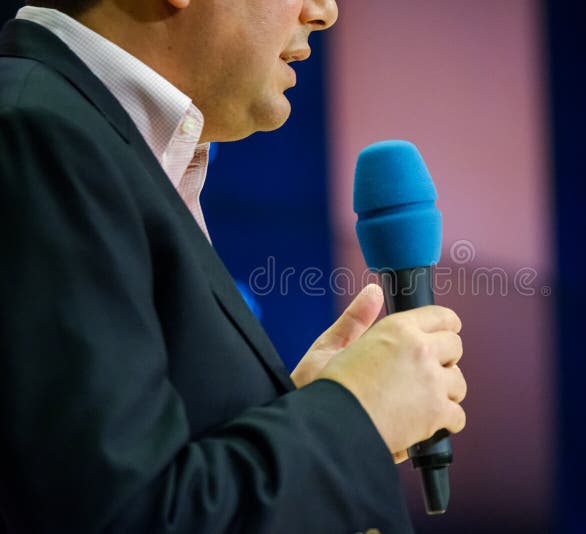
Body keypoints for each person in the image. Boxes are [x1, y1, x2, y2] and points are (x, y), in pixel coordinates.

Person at [0, 0, 468, 532]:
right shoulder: (38, 134)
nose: (325, 11)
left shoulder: (94, 141)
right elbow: (121, 516)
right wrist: (354, 416)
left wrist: (296, 412)